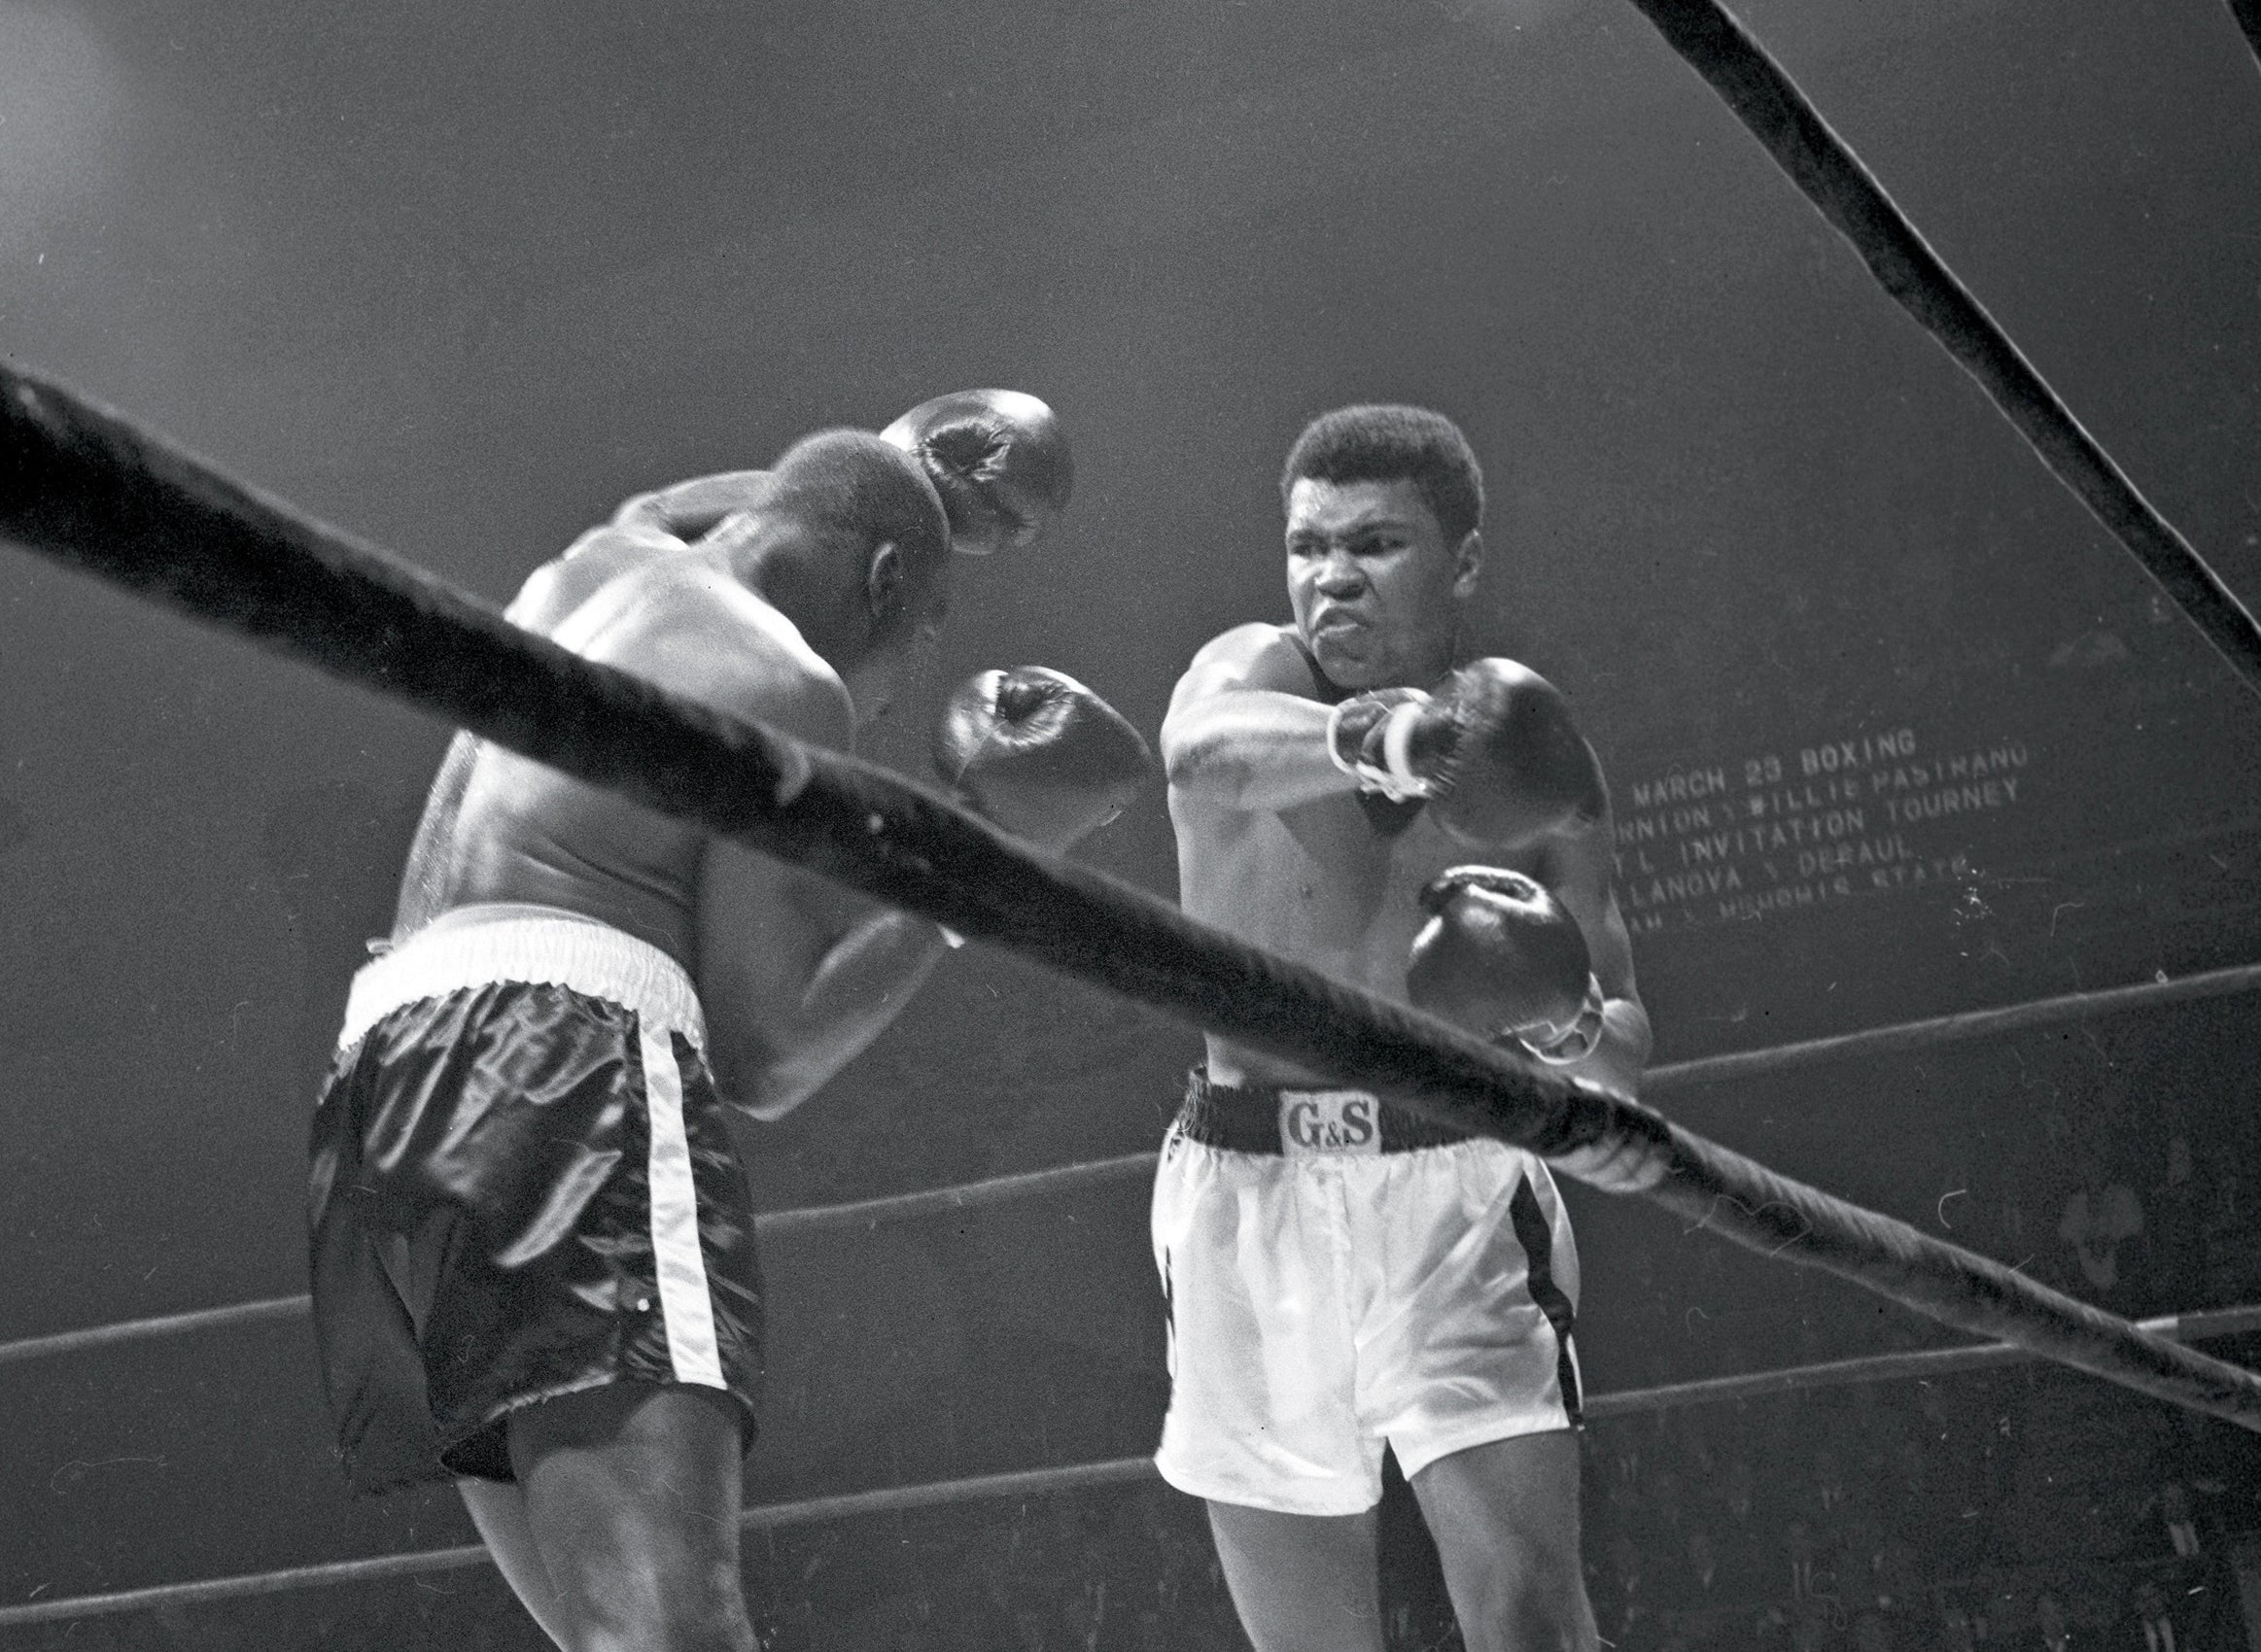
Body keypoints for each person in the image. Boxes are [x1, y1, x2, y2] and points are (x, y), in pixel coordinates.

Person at [308, 409, 1146, 1652]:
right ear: (881, 582)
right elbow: (769, 1052)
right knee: (676, 1628)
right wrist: (984, 859)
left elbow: (684, 503)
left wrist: (900, 470)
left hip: (379, 1084)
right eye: (913, 640)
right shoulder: (784, 683)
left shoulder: (591, 562)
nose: (889, 685)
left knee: (621, 1637)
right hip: (550, 1067)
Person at [1154, 403, 1650, 1652]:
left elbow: (1623, 1062)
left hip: (1457, 1186)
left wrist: (1557, 1009)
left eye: (1373, 543)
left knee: (1531, 1620)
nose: (1330, 575)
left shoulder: (1537, 766)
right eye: (1307, 543)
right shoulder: (1253, 676)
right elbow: (1199, 755)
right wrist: (1384, 736)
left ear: (1463, 563)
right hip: (1245, 1189)